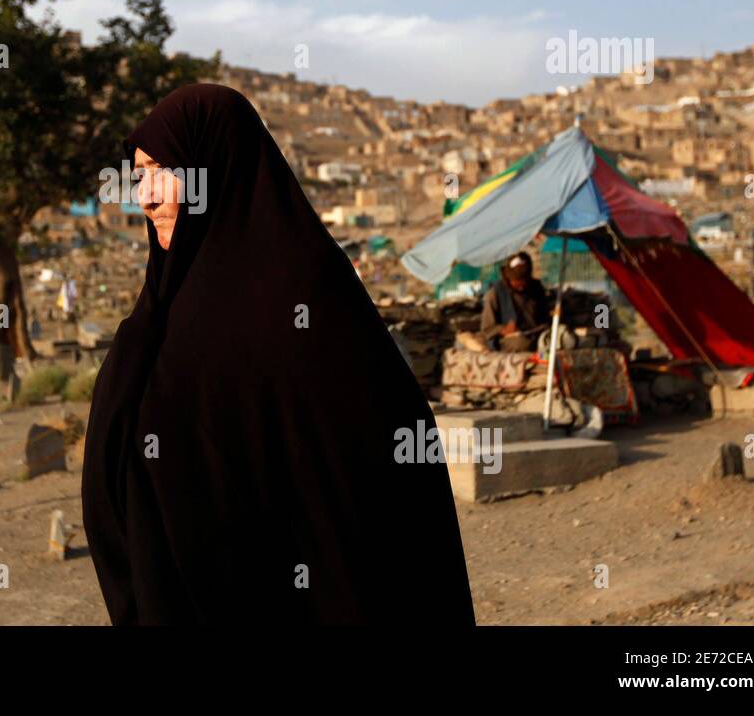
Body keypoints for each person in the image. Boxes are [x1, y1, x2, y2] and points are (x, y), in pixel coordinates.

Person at [81, 83, 474, 626]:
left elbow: (387, 457)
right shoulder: (162, 311)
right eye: (138, 173)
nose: (144, 197)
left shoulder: (308, 297)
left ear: (213, 168)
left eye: (162, 170)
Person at [479, 252, 550, 353]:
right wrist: (504, 329)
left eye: (524, 280)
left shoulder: (536, 288)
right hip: (509, 340)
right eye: (517, 281)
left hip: (536, 335)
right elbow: (487, 329)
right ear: (508, 277)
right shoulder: (495, 293)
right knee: (522, 344)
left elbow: (544, 318)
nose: (521, 285)